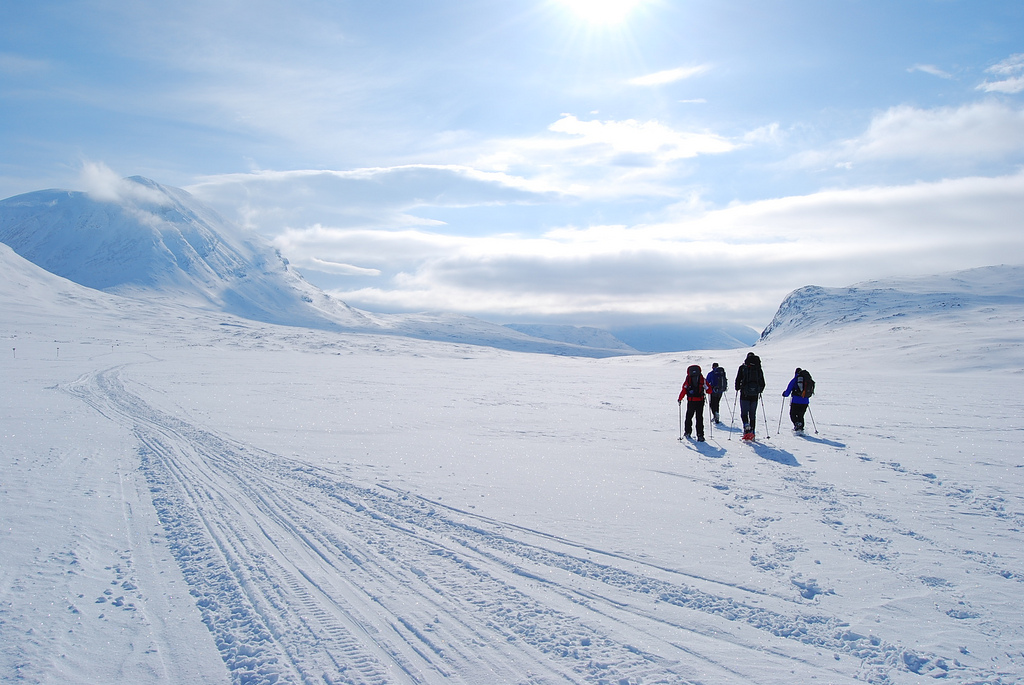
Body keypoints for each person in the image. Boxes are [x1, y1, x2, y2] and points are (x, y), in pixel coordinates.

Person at [734, 352, 765, 441]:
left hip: (744, 393)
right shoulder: (758, 369)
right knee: (752, 414)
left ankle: (746, 425)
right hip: (755, 395)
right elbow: (762, 382)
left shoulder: (743, 367)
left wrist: (737, 388)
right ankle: (752, 431)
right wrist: (759, 390)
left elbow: (738, 379)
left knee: (744, 412)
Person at [677, 364, 712, 441]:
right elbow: (709, 390)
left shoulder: (688, 379)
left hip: (691, 401)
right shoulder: (702, 379)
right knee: (699, 417)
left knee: (689, 417)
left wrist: (680, 398)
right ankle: (700, 435)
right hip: (700, 401)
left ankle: (687, 432)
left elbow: (684, 389)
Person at [782, 367, 813, 432]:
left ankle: (797, 424)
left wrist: (784, 394)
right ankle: (801, 428)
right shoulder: (807, 379)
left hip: (796, 401)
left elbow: (788, 392)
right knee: (801, 415)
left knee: (792, 414)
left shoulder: (795, 380)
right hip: (805, 401)